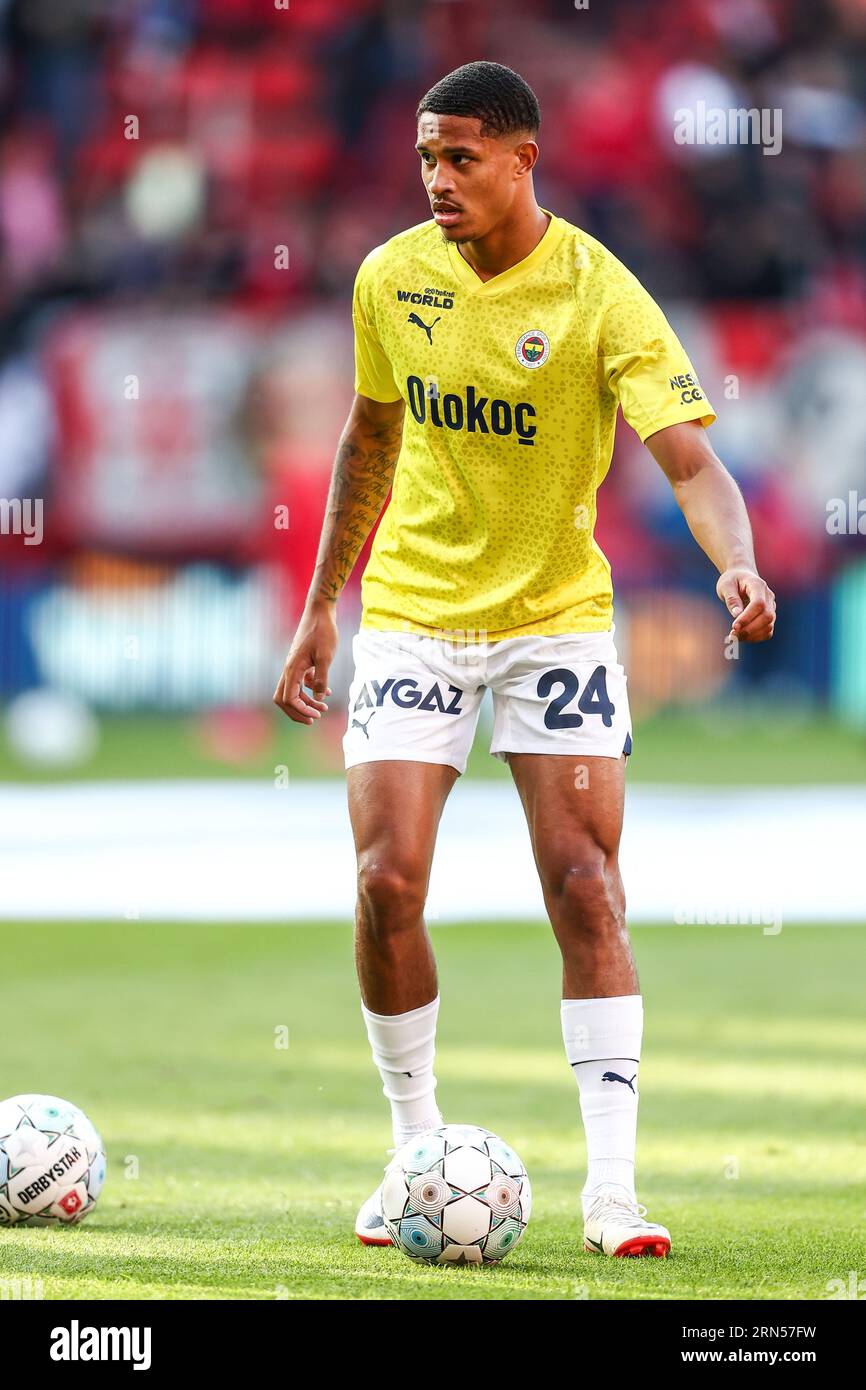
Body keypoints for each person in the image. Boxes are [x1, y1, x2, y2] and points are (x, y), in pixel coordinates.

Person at [273, 61, 776, 1260]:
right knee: (387, 883)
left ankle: (611, 1192)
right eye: (424, 159)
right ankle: (413, 1151)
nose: (437, 181)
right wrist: (320, 606)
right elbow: (368, 437)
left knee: (583, 885)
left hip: (554, 618)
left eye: (459, 158)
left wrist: (735, 561)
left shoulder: (601, 293)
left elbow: (691, 464)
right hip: (412, 612)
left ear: (520, 160)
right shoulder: (390, 279)